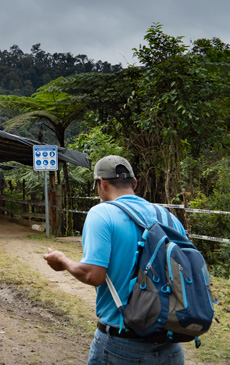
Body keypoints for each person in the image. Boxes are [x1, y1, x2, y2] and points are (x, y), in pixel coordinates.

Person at [43, 155, 187, 364]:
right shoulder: (168, 217)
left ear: (101, 183)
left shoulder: (101, 214)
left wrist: (63, 261)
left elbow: (94, 275)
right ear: (134, 183)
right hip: (171, 346)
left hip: (122, 343)